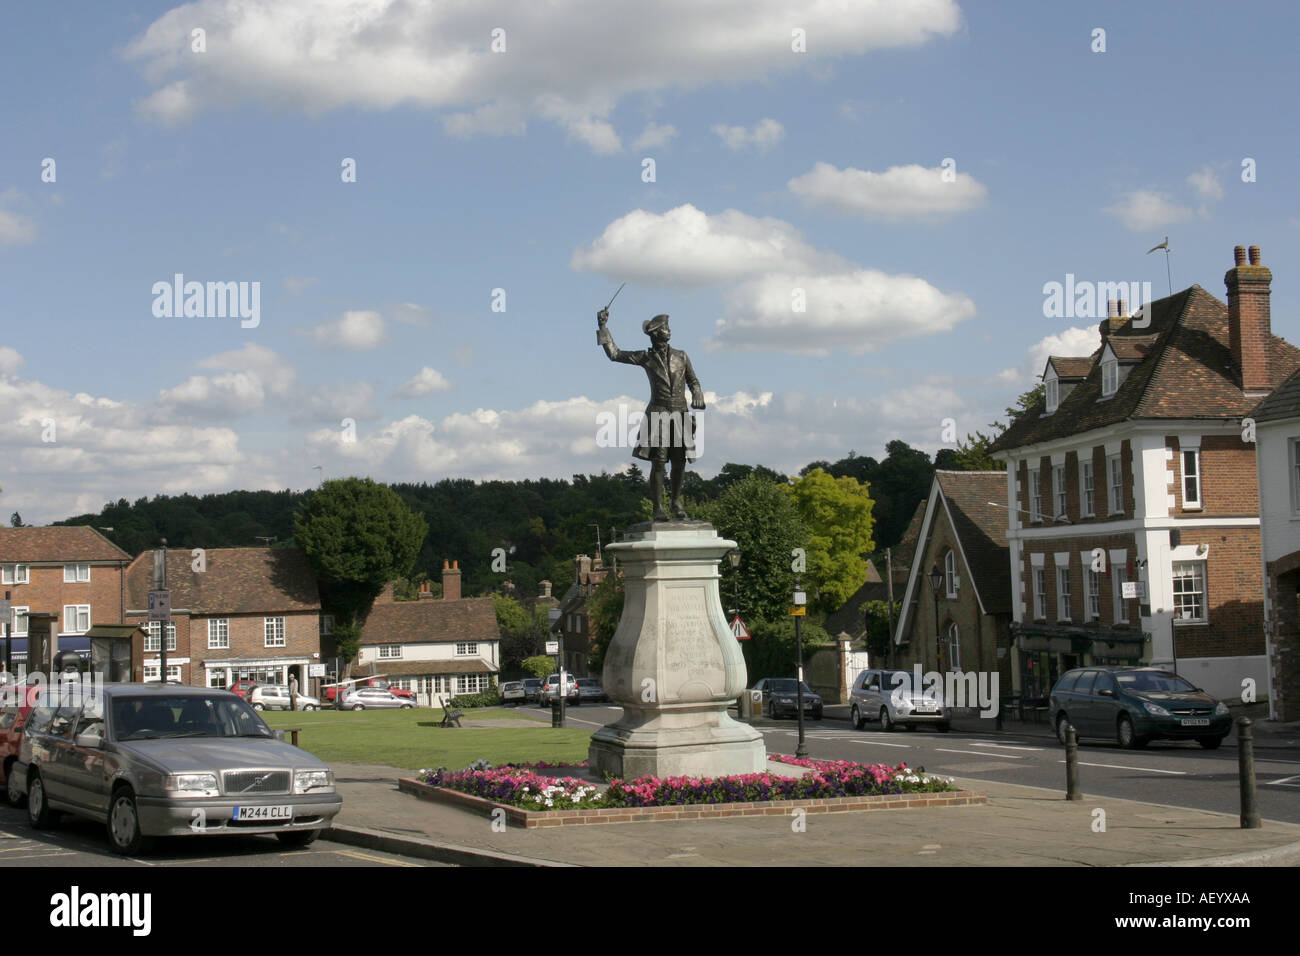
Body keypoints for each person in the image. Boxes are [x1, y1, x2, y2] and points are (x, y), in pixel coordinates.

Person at [596, 310, 706, 520]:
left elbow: (694, 381)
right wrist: (603, 328)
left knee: (679, 461)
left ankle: (675, 501)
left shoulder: (681, 356)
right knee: (659, 461)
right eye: (665, 328)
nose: (669, 331)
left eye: (668, 327)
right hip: (659, 413)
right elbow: (615, 354)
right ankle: (658, 508)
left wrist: (698, 394)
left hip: (680, 413)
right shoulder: (646, 357)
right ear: (655, 333)